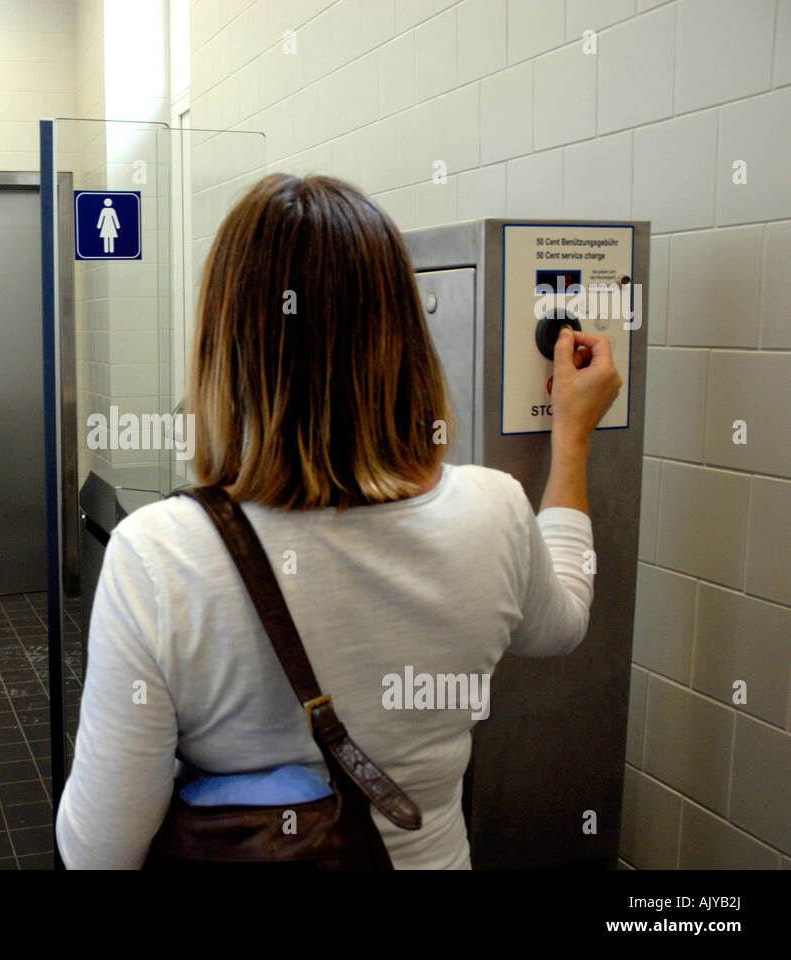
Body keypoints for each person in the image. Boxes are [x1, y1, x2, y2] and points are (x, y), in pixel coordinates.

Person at [54, 173, 622, 869]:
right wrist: (573, 436)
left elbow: (98, 852)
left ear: (224, 350)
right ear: (403, 336)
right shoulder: (495, 510)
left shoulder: (158, 556)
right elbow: (563, 623)